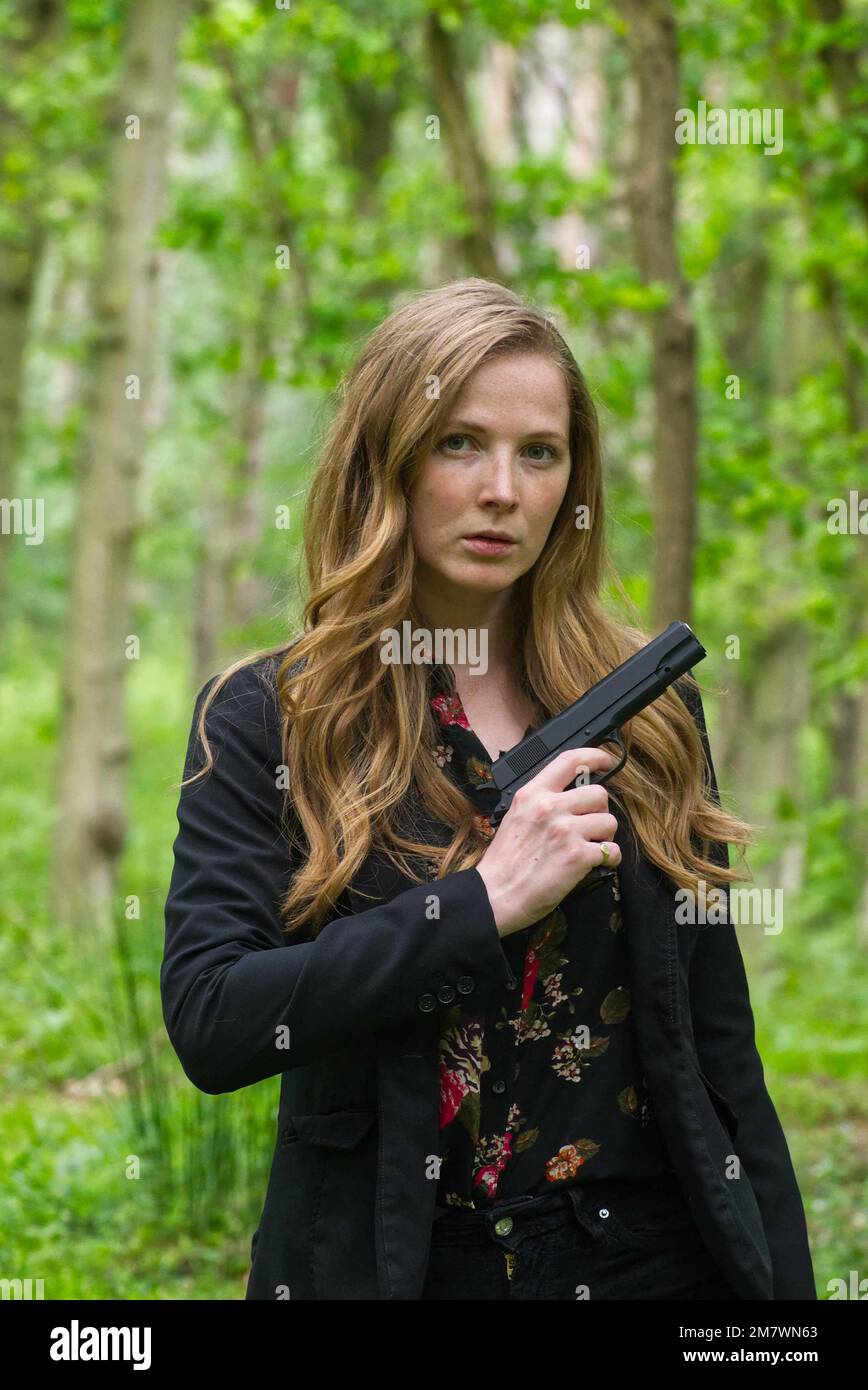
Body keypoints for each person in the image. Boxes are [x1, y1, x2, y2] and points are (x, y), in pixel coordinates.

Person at [161, 277, 816, 1300]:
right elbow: (214, 1019)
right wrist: (480, 903)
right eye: (458, 442)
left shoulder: (642, 705)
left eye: (539, 451)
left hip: (646, 1260)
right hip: (397, 1262)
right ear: (386, 460)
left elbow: (718, 1057)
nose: (502, 488)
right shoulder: (271, 715)